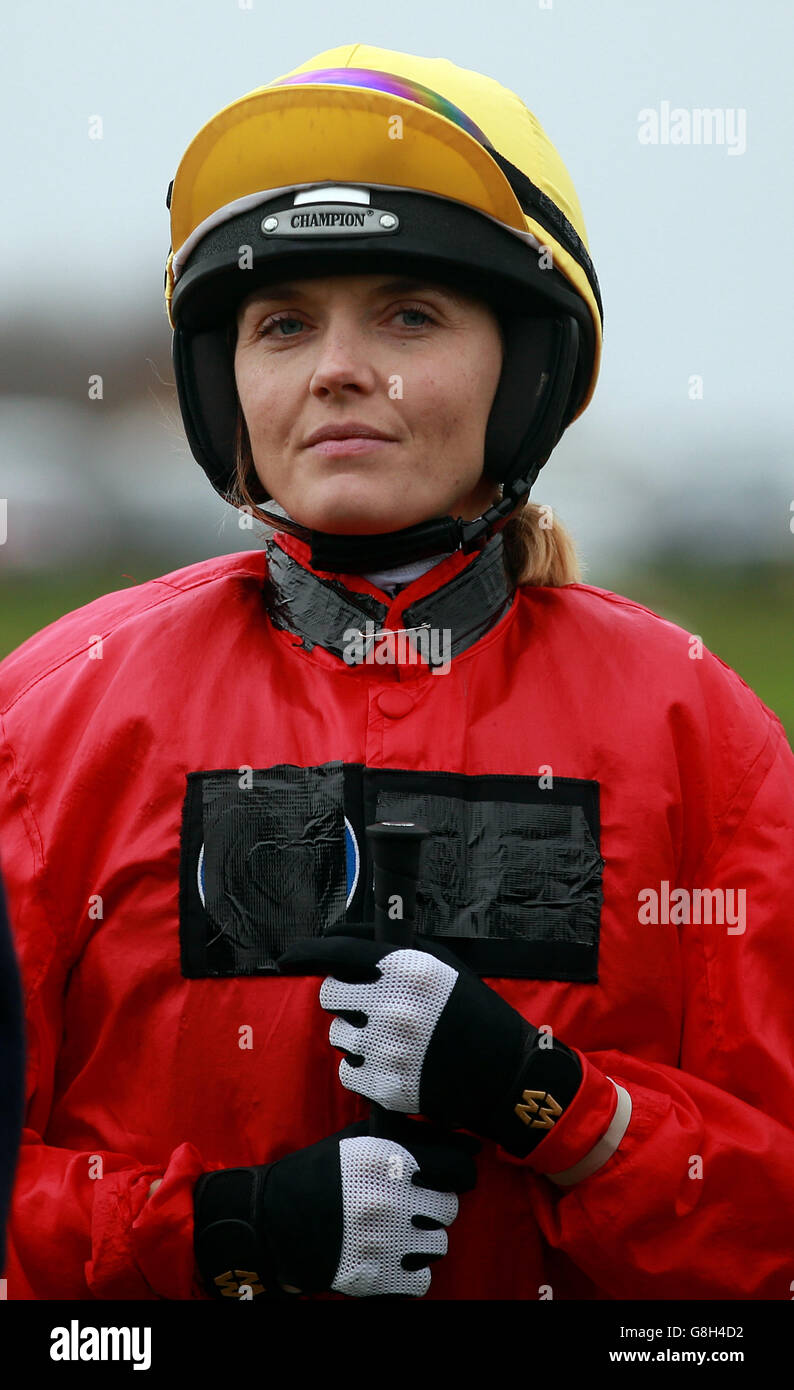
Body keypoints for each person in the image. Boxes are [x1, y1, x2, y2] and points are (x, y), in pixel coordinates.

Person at [0, 40, 793, 1302]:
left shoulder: (706, 737)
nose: (334, 369)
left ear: (523, 367)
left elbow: (768, 1236)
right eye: (281, 324)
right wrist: (226, 1233)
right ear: (227, 384)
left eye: (408, 315)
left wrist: (550, 1104)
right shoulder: (47, 720)